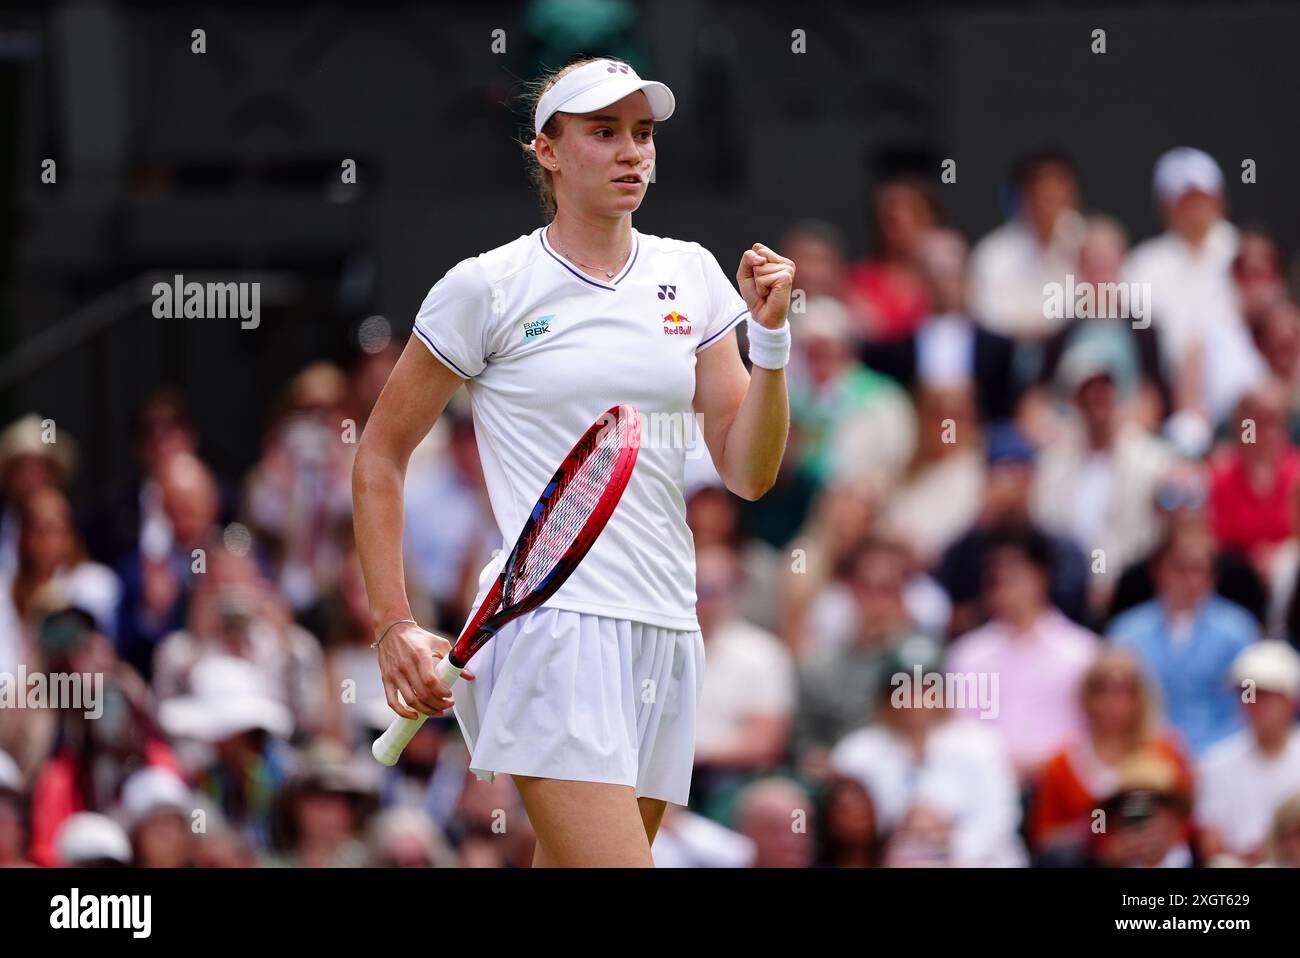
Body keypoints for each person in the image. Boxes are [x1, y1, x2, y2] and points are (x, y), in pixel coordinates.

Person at [352, 57, 793, 867]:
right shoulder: (486, 287)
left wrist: (769, 344)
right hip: (550, 631)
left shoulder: (689, 273)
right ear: (547, 151)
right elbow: (379, 454)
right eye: (604, 133)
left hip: (666, 625)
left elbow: (748, 471)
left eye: (643, 134)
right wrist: (393, 625)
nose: (633, 153)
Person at [945, 525, 1100, 784]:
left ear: (1042, 576)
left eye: (1014, 576)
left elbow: (1096, 734)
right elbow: (960, 731)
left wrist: (1046, 766)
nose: (1004, 588)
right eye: (995, 579)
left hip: (1063, 784)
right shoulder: (969, 654)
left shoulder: (1083, 653)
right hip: (986, 785)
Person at [1029, 648, 1192, 865]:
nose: (1112, 704)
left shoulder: (1166, 752)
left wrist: (1159, 840)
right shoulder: (1063, 762)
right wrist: (1098, 843)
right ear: (1088, 697)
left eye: (1124, 693)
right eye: (1102, 692)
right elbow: (1044, 836)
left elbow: (1189, 821)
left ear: (1139, 698)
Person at [1109, 523, 1259, 756]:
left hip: (1219, 755)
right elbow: (1114, 701)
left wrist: (1221, 752)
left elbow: (1250, 698)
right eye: (1179, 568)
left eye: (1198, 569)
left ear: (1212, 575)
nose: (1189, 579)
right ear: (1158, 570)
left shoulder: (1238, 632)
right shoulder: (1127, 633)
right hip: (1143, 756)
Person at [1195, 641, 1300, 865]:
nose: (1255, 703)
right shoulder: (1216, 762)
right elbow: (1212, 846)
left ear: (1291, 700)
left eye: (1266, 694)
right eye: (1248, 693)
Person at [968, 149, 1085, 341]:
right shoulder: (992, 254)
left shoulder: (1089, 244)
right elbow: (986, 315)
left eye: (1059, 193)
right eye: (1044, 194)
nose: (1051, 203)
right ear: (1023, 196)